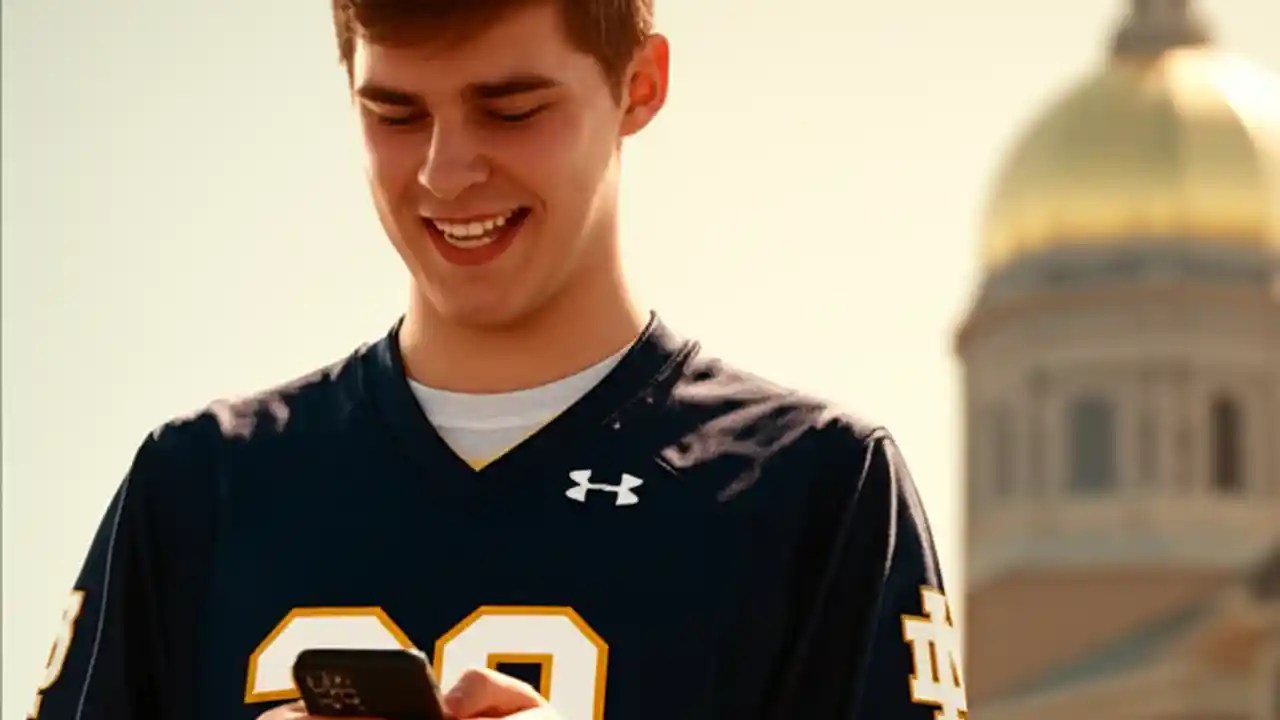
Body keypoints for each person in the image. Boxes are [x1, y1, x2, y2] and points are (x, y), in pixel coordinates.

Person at [28, 0, 969, 718]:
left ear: (640, 84)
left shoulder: (819, 490)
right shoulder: (197, 488)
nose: (445, 170)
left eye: (511, 109)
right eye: (395, 115)